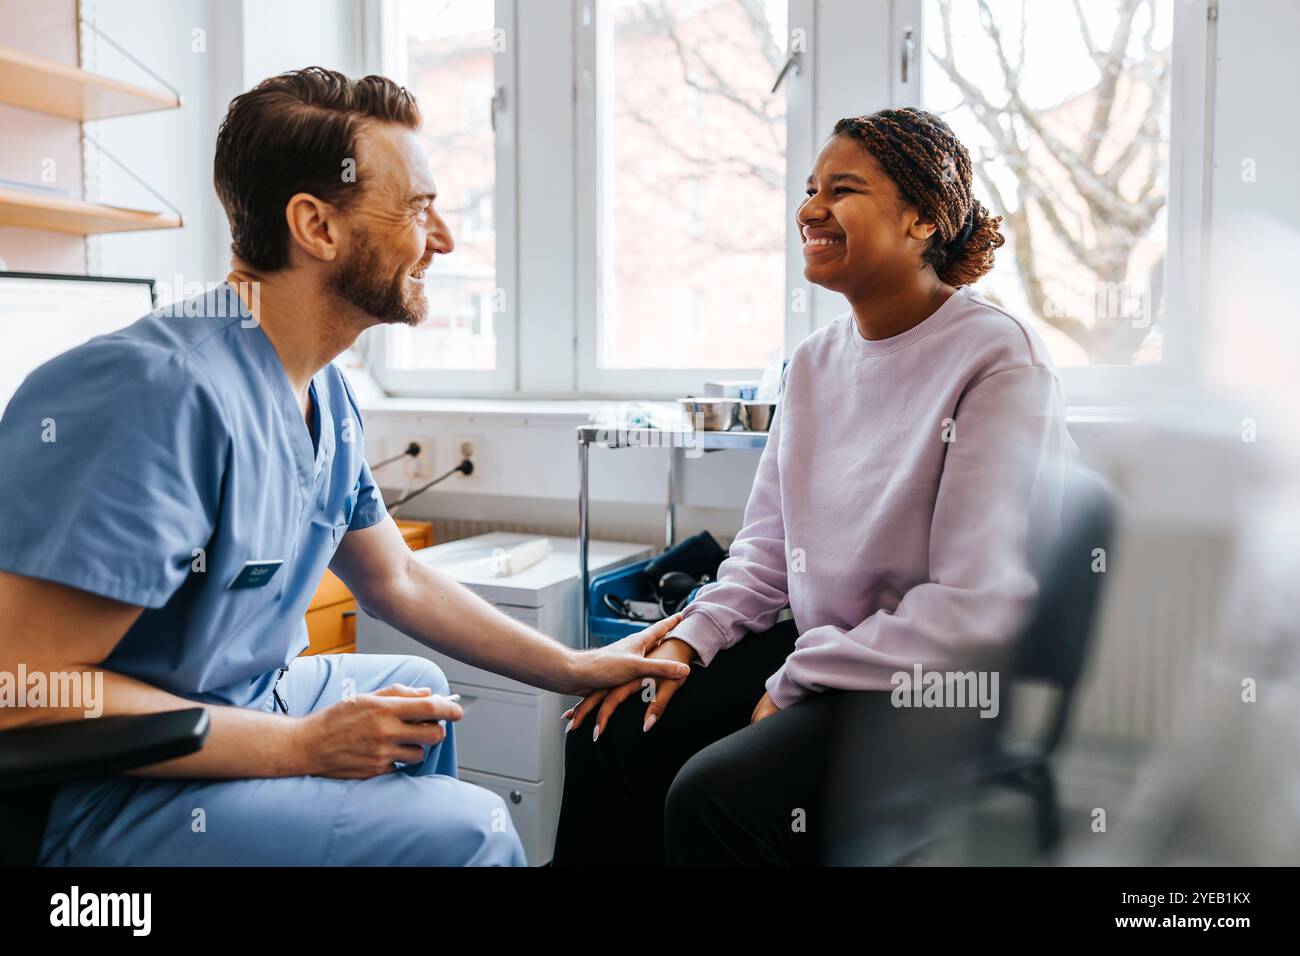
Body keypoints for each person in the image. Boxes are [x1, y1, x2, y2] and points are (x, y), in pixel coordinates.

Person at [0, 68, 688, 867]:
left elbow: (396, 579)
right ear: (317, 227)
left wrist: (571, 666)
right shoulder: (150, 394)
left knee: (414, 690)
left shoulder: (322, 387)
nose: (444, 242)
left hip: (243, 701)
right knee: (473, 831)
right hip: (101, 791)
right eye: (418, 210)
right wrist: (300, 745)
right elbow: (21, 691)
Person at [553, 108, 1077, 866]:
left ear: (923, 218)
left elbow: (974, 608)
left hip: (935, 684)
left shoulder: (998, 359)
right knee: (611, 731)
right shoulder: (813, 362)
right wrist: (689, 641)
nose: (810, 209)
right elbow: (767, 551)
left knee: (715, 796)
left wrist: (799, 675)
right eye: (809, 189)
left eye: (843, 189)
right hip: (826, 646)